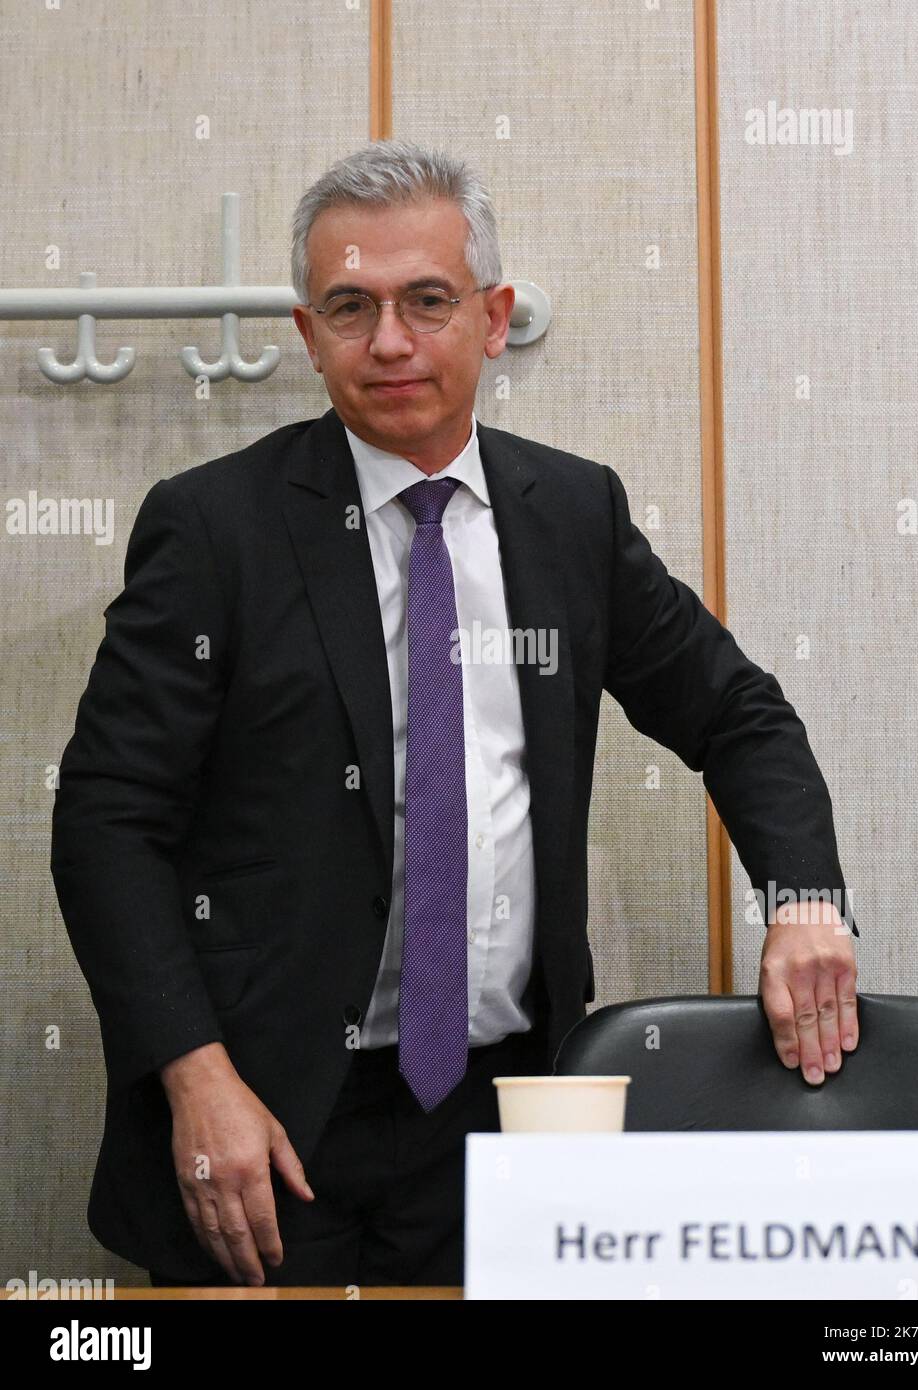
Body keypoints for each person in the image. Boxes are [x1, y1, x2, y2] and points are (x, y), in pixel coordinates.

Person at [50, 138, 859, 1290]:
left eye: (426, 301)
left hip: (502, 1117)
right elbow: (104, 821)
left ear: (491, 314)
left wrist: (803, 900)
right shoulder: (213, 530)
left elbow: (736, 712)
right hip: (264, 1121)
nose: (388, 341)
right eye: (350, 306)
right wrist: (193, 1073)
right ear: (305, 333)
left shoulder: (571, 515)